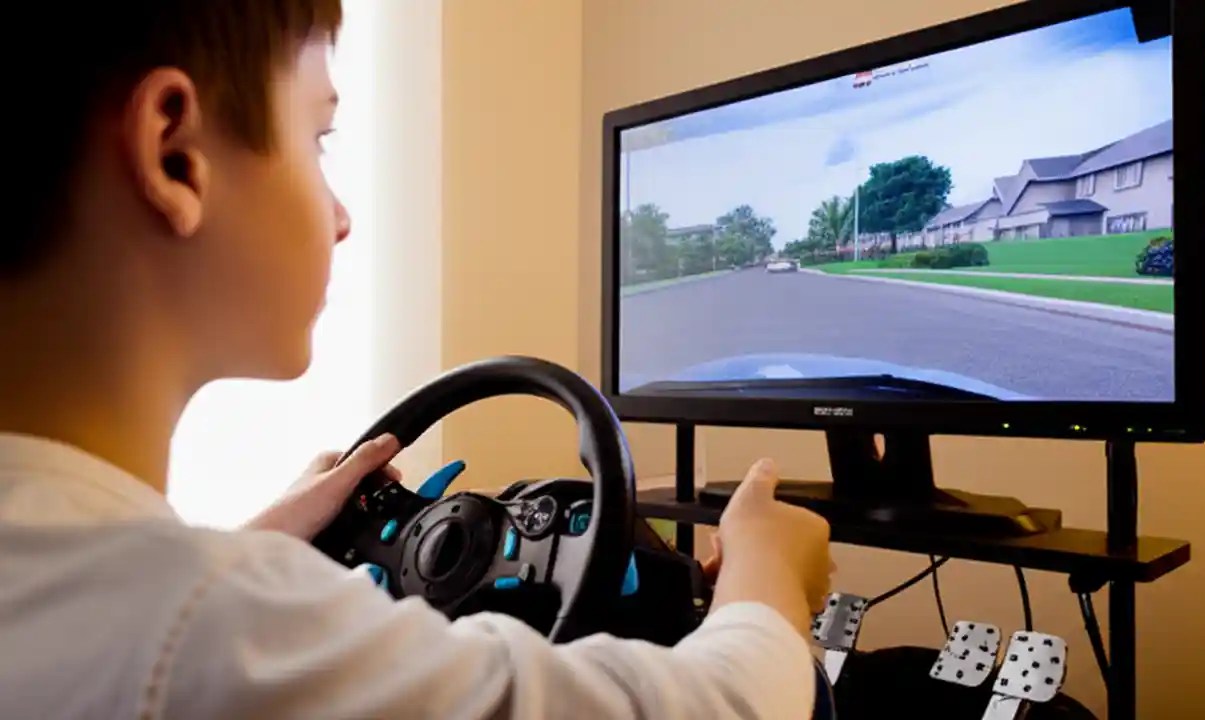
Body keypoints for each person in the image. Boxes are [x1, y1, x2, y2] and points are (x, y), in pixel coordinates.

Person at [0, 2, 834, 718]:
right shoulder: (211, 636)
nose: (341, 216)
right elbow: (726, 704)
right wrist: (768, 568)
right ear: (174, 155)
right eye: (318, 139)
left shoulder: (90, 594)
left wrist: (259, 546)